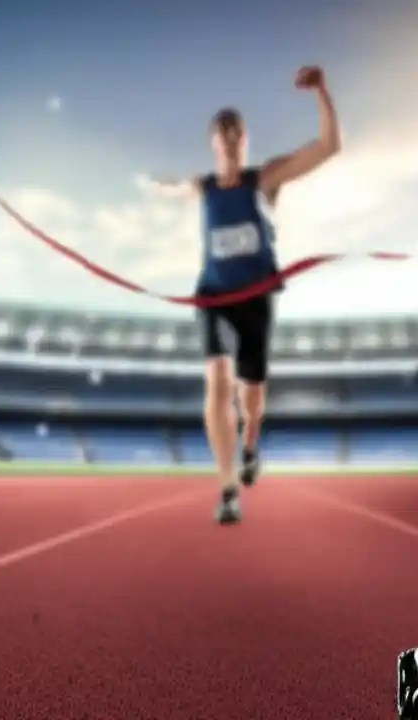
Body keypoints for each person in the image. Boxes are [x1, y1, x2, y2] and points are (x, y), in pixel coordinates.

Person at [143, 65, 341, 524]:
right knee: (216, 380)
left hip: (255, 298)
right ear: (215, 143)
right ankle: (228, 488)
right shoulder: (203, 187)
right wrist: (155, 186)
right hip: (213, 296)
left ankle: (251, 444)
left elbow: (329, 147)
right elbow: (174, 189)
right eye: (223, 135)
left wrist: (321, 93)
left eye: (238, 135)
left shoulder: (265, 180)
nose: (231, 142)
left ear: (244, 141)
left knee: (251, 396)